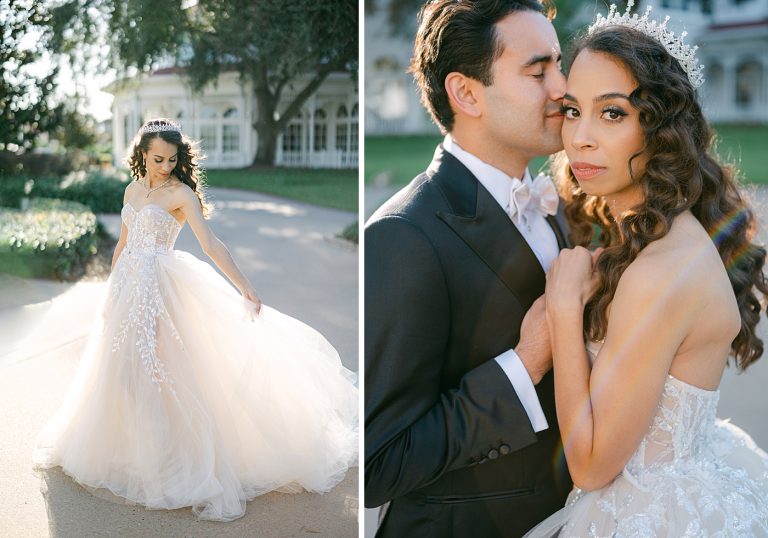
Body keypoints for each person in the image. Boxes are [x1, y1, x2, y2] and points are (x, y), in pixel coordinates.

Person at [33, 118, 358, 522]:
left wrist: (244, 286)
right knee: (120, 368)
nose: (165, 166)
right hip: (128, 286)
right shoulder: (132, 189)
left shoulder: (181, 194)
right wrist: (110, 289)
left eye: (171, 159)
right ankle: (131, 448)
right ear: (141, 154)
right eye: (157, 159)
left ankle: (171, 457)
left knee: (159, 369)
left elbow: (209, 244)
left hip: (161, 288)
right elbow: (123, 242)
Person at [525, 3, 768, 536]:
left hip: (647, 513)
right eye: (572, 110)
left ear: (660, 129)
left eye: (612, 113)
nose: (580, 137)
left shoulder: (659, 269)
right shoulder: (650, 231)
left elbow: (589, 465)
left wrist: (565, 312)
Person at [364, 1, 573, 536]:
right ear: (466, 93)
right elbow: (376, 463)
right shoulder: (403, 237)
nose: (562, 88)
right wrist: (524, 365)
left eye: (559, 64)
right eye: (538, 70)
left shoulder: (560, 204)